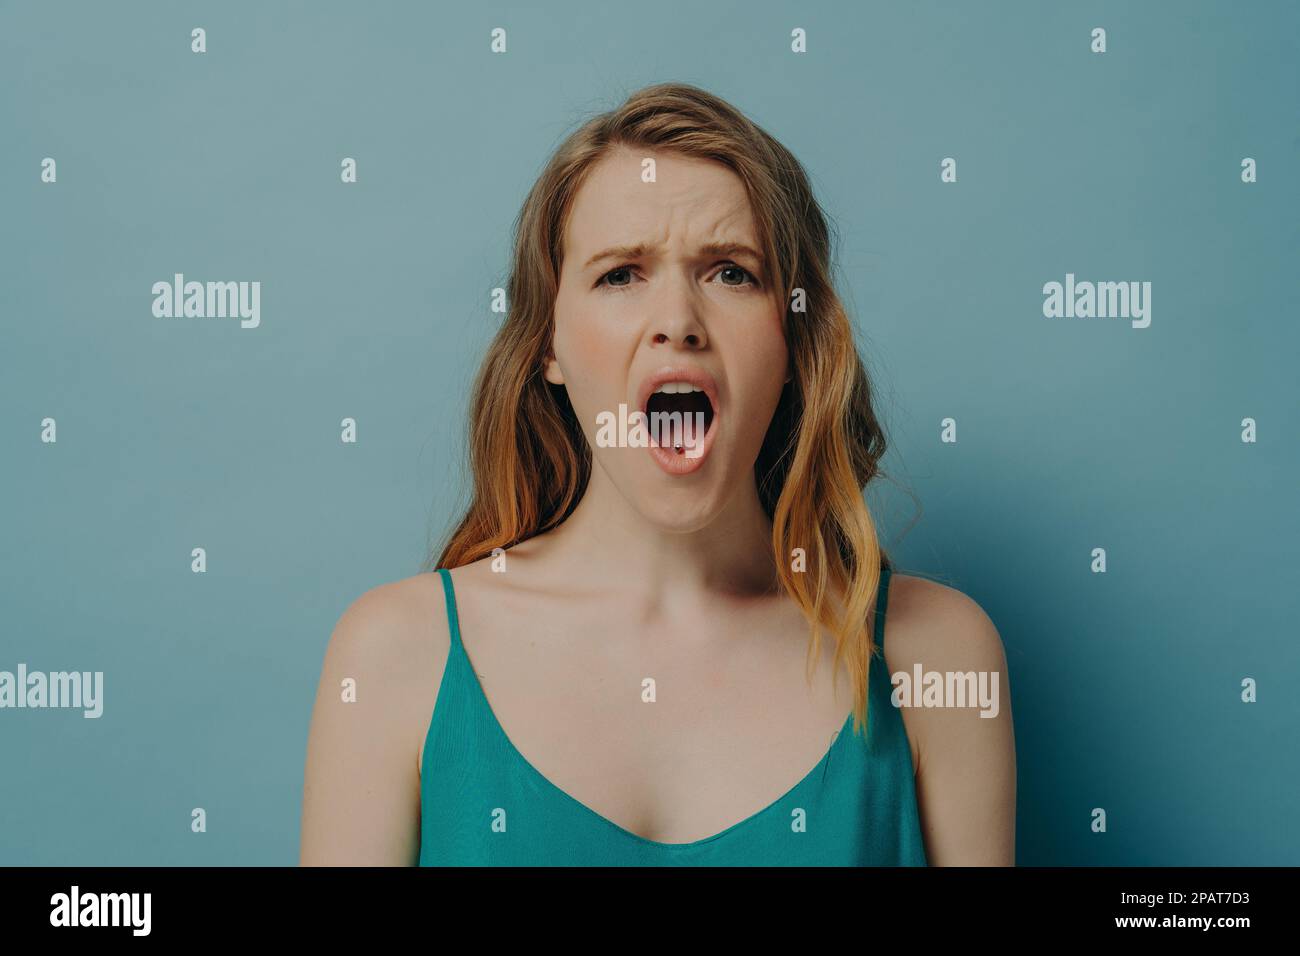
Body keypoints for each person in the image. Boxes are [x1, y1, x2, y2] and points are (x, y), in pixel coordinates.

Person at [300, 82, 1016, 866]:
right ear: (548, 347)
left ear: (793, 345)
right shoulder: (395, 657)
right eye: (620, 274)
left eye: (731, 273)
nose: (677, 320)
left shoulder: (936, 657)